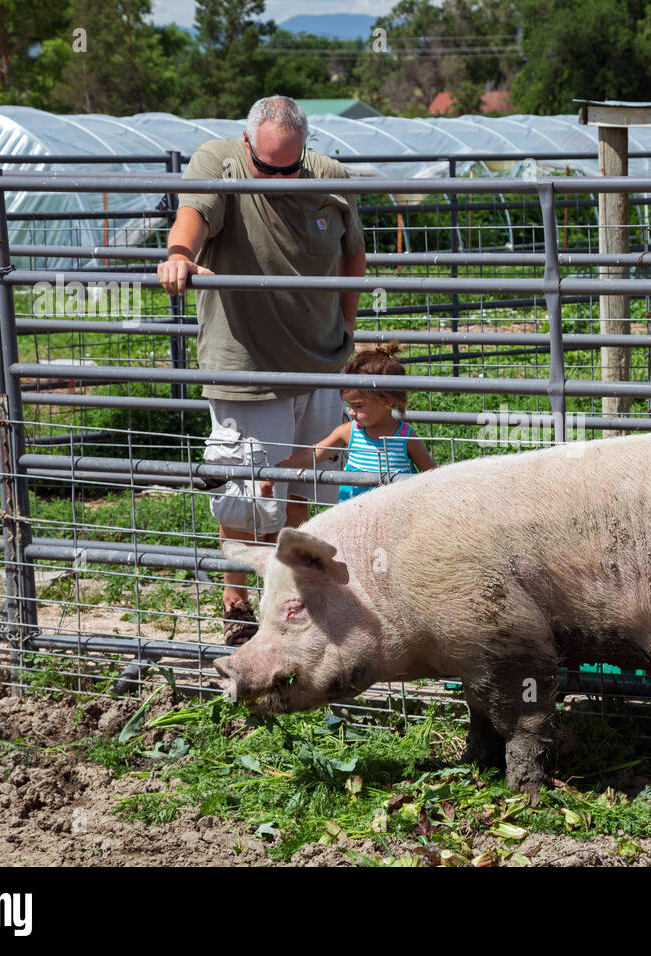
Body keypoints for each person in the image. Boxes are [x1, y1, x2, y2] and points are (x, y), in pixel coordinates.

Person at [155, 94, 367, 645]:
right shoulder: (218, 162)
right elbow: (193, 217)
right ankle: (236, 602)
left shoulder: (330, 177)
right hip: (246, 366)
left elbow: (353, 253)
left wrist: (346, 326)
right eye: (268, 167)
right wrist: (179, 253)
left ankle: (297, 596)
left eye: (290, 166)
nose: (279, 175)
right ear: (247, 144)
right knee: (243, 491)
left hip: (318, 361)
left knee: (306, 485)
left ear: (306, 149)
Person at [261, 343, 436, 502]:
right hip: (352, 513)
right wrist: (280, 469)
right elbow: (314, 454)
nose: (351, 412)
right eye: (349, 404)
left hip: (392, 514)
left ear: (388, 402)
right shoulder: (349, 432)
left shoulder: (405, 438)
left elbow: (432, 475)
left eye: (358, 405)